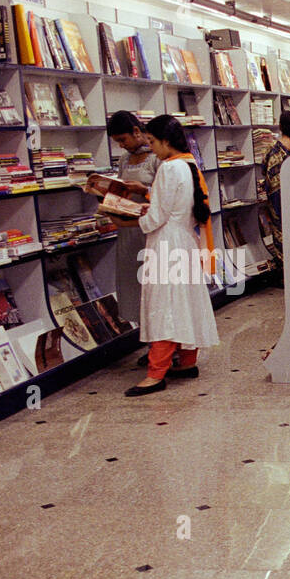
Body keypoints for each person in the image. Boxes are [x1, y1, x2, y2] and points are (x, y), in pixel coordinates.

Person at [113, 114, 220, 396]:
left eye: (152, 142)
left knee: (163, 306)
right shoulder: (188, 163)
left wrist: (130, 218)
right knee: (185, 301)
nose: (152, 148)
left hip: (165, 244)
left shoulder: (168, 169)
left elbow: (157, 216)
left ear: (164, 141)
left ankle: (155, 374)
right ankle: (187, 361)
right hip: (185, 240)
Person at [102, 111, 161, 365]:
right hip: (127, 230)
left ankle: (165, 347)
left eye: (123, 139)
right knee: (134, 289)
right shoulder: (125, 159)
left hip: (148, 230)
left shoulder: (156, 158)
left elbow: (165, 193)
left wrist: (144, 190)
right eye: (118, 142)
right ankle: (151, 345)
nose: (122, 145)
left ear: (138, 132)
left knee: (154, 289)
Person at [261, 110, 290, 263]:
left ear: (280, 126)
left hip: (276, 200)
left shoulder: (272, 148)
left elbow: (264, 169)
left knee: (279, 234)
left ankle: (284, 273)